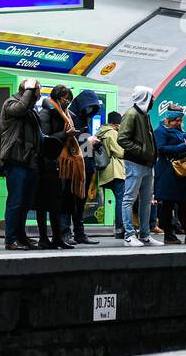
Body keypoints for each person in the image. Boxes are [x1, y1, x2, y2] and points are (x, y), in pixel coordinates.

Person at [35, 84, 84, 249]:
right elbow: (45, 139)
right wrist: (66, 134)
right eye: (66, 98)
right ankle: (44, 238)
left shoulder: (65, 114)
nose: (68, 102)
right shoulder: (46, 112)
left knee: (58, 203)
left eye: (70, 99)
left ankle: (57, 237)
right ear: (57, 98)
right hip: (48, 163)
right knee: (45, 203)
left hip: (59, 162)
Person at [0, 78, 42, 250]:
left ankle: (21, 236)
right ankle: (10, 239)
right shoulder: (11, 103)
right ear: (28, 91)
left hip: (29, 161)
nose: (39, 93)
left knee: (25, 201)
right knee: (15, 201)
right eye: (37, 90)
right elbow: (20, 109)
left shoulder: (30, 110)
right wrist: (30, 89)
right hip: (15, 160)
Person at [153, 106, 186, 245]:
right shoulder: (160, 132)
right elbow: (161, 149)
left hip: (181, 173)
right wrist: (183, 147)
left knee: (184, 204)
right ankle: (169, 235)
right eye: (176, 120)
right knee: (168, 205)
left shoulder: (177, 130)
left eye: (180, 120)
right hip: (168, 173)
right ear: (168, 120)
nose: (179, 122)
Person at [118, 85, 159, 247]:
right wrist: (142, 151)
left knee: (146, 201)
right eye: (151, 97)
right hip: (135, 162)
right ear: (145, 98)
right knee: (129, 198)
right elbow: (122, 139)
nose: (153, 100)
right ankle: (129, 235)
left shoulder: (144, 115)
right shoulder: (131, 114)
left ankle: (144, 234)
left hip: (147, 164)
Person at [68, 89, 103, 244]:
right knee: (70, 201)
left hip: (86, 165)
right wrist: (88, 142)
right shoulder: (71, 118)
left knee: (80, 202)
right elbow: (71, 145)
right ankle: (68, 232)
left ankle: (79, 233)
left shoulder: (83, 118)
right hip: (75, 166)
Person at [95, 110, 126, 239]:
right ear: (115, 124)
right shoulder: (112, 133)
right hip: (115, 171)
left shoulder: (100, 132)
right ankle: (120, 229)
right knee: (121, 200)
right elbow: (119, 152)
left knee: (119, 199)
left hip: (106, 172)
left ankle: (120, 228)